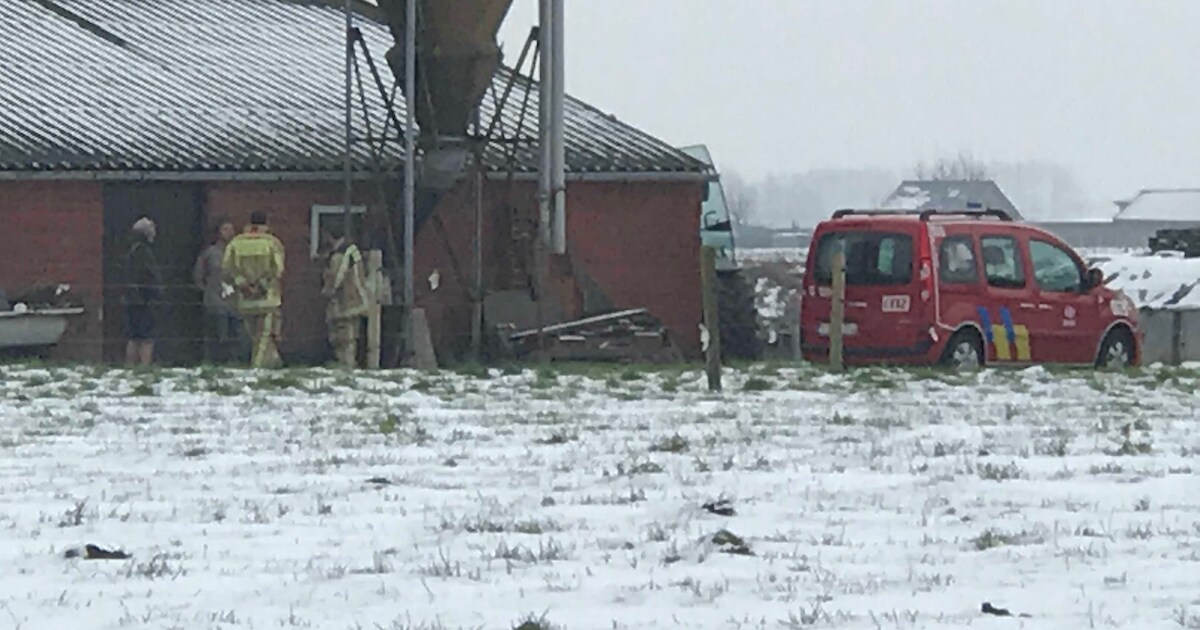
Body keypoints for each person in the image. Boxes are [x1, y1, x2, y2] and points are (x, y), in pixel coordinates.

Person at [222, 211, 285, 368]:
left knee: (253, 335)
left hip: (245, 299)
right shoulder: (272, 243)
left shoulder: (236, 243)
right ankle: (257, 367)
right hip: (267, 298)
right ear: (267, 223)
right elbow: (278, 269)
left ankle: (275, 362)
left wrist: (243, 284)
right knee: (263, 335)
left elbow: (227, 269)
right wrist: (261, 284)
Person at [193, 218, 246, 363]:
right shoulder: (210, 253)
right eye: (225, 229)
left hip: (235, 302)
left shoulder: (238, 254)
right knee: (217, 334)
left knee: (236, 335)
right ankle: (213, 361)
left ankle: (235, 361)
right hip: (215, 301)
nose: (230, 233)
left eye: (232, 229)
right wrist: (206, 291)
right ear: (218, 233)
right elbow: (198, 275)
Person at [320, 222, 371, 368]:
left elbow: (337, 277)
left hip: (346, 302)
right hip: (356, 299)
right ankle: (347, 363)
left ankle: (346, 365)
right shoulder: (352, 250)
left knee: (344, 337)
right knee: (349, 337)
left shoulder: (341, 254)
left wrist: (327, 290)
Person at [124, 217, 162, 365]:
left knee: (133, 337)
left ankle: (130, 367)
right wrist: (157, 292)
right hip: (145, 300)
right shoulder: (144, 253)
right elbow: (149, 276)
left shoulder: (130, 250)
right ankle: (145, 367)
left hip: (131, 299)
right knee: (147, 338)